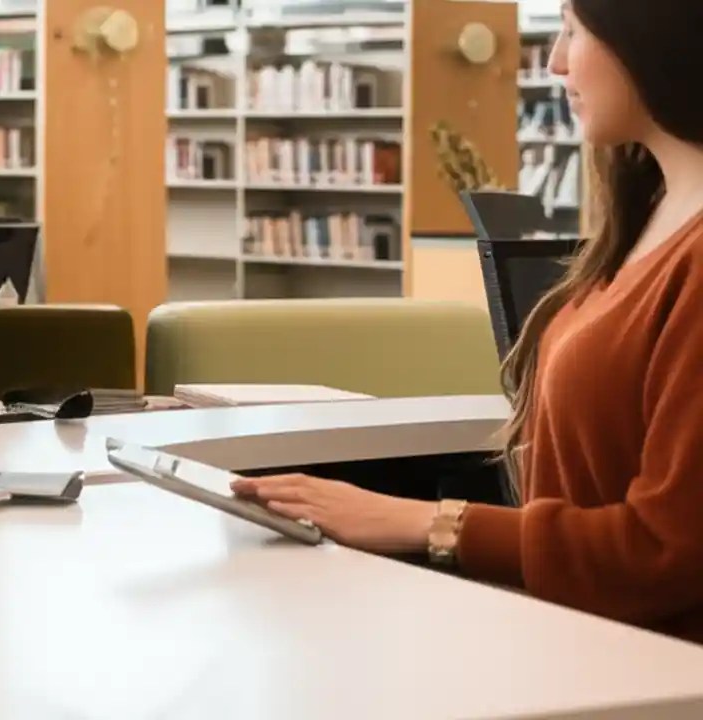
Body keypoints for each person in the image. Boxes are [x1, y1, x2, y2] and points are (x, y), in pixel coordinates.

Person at [233, 0, 703, 643]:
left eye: (572, 31)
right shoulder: (646, 210)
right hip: (589, 637)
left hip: (654, 668)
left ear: (650, 37)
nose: (557, 61)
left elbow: (664, 552)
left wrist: (424, 522)